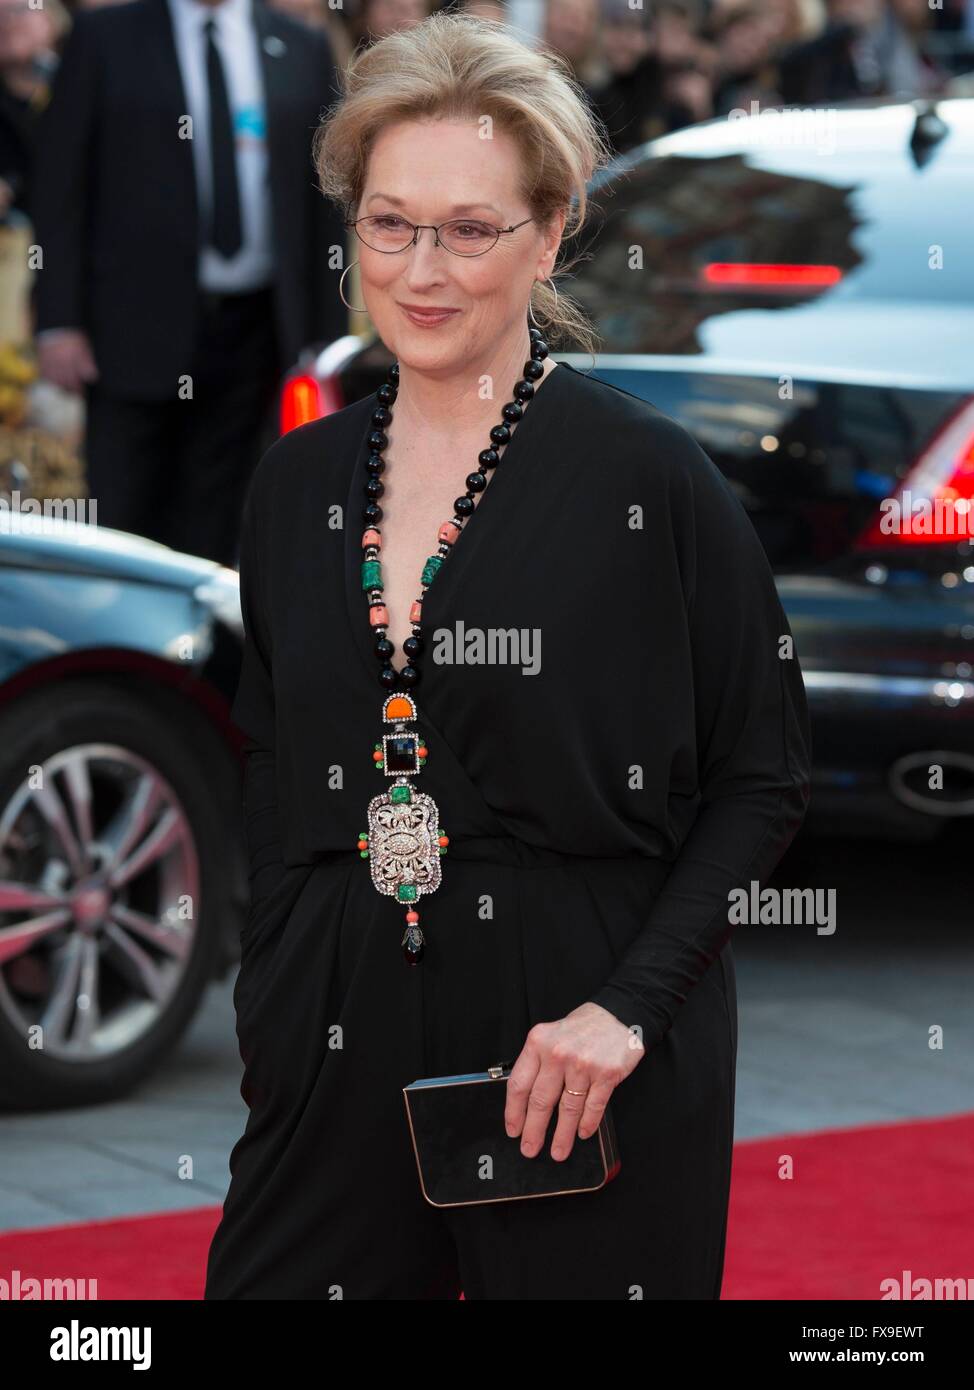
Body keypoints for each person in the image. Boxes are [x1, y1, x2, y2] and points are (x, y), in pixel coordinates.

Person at [204, 10, 811, 1300]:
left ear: (548, 234)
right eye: (388, 221)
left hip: (576, 1049)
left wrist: (625, 1013)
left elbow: (760, 776)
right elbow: (268, 751)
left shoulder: (649, 480)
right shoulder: (298, 480)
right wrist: (276, 988)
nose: (422, 269)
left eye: (470, 229)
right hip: (335, 1025)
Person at [29, 0, 348, 566]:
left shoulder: (300, 46)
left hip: (256, 330)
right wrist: (58, 321)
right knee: (123, 515)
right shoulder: (106, 38)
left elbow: (323, 199)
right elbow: (60, 188)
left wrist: (326, 335)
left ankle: (205, 650)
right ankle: (124, 648)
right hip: (128, 330)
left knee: (226, 517)